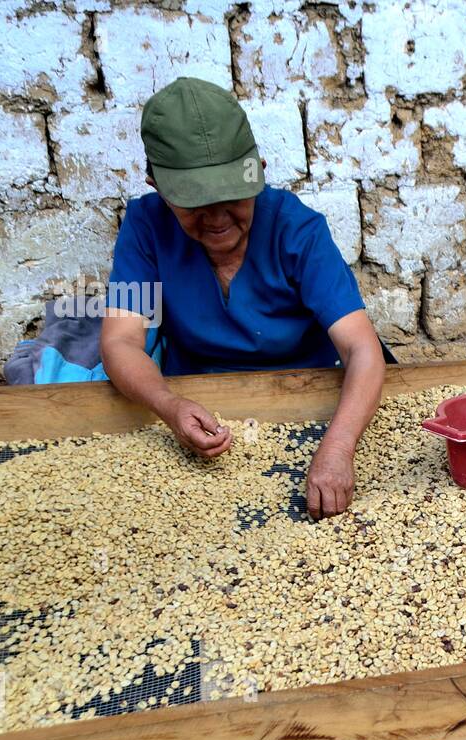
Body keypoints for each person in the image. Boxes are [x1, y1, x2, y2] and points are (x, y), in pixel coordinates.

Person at [101, 77, 384, 519]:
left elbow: (362, 349)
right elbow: (120, 342)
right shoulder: (145, 226)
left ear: (257, 172)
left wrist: (338, 446)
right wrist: (170, 406)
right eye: (194, 205)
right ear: (155, 185)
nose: (216, 219)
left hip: (307, 399)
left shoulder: (297, 229)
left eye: (233, 197)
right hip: (202, 402)